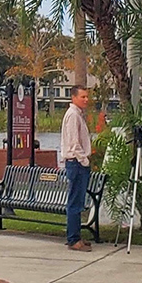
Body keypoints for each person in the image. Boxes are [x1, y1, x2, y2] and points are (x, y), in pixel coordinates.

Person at [60, 84, 92, 251]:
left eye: (87, 97)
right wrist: (83, 160)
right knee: (74, 202)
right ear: (74, 97)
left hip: (78, 163)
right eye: (82, 97)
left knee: (78, 201)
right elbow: (74, 142)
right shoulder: (73, 115)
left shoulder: (78, 115)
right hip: (76, 163)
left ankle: (76, 235)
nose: (86, 100)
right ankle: (73, 239)